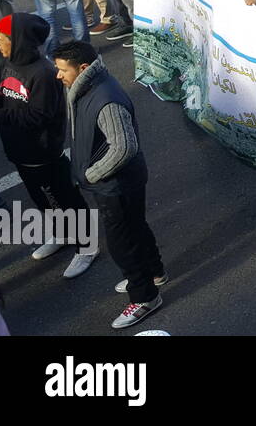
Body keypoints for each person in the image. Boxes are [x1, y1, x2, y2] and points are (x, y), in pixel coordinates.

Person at [53, 40, 167, 329]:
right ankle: (154, 272)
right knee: (136, 227)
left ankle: (144, 297)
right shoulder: (87, 86)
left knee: (122, 242)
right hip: (115, 183)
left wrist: (91, 174)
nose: (58, 76)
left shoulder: (106, 98)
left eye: (62, 70)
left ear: (82, 68)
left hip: (114, 184)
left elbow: (123, 147)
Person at [0, 15, 94, 274]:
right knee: (41, 199)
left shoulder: (44, 74)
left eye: (1, 38)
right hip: (19, 152)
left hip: (43, 153)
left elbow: (38, 116)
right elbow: (0, 95)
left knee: (64, 199)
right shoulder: (6, 65)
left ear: (17, 41)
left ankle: (87, 246)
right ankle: (62, 234)